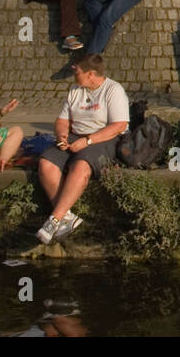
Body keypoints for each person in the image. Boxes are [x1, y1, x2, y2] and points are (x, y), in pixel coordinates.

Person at [36, 55, 130, 244]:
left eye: (77, 71)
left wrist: (88, 141)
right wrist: (62, 135)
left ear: (91, 74)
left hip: (104, 138)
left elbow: (119, 125)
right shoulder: (75, 89)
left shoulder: (113, 90)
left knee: (80, 166)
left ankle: (53, 221)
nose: (73, 73)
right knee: (46, 163)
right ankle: (67, 217)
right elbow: (62, 120)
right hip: (75, 136)